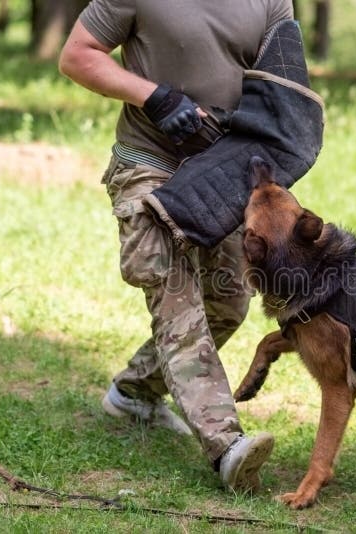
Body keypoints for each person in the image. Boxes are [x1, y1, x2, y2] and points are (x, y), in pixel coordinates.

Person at [58, 0, 294, 492]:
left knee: (227, 304)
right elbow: (77, 55)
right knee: (176, 298)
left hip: (221, 170)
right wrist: (155, 98)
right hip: (147, 165)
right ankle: (226, 445)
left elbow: (280, 83)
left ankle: (134, 393)